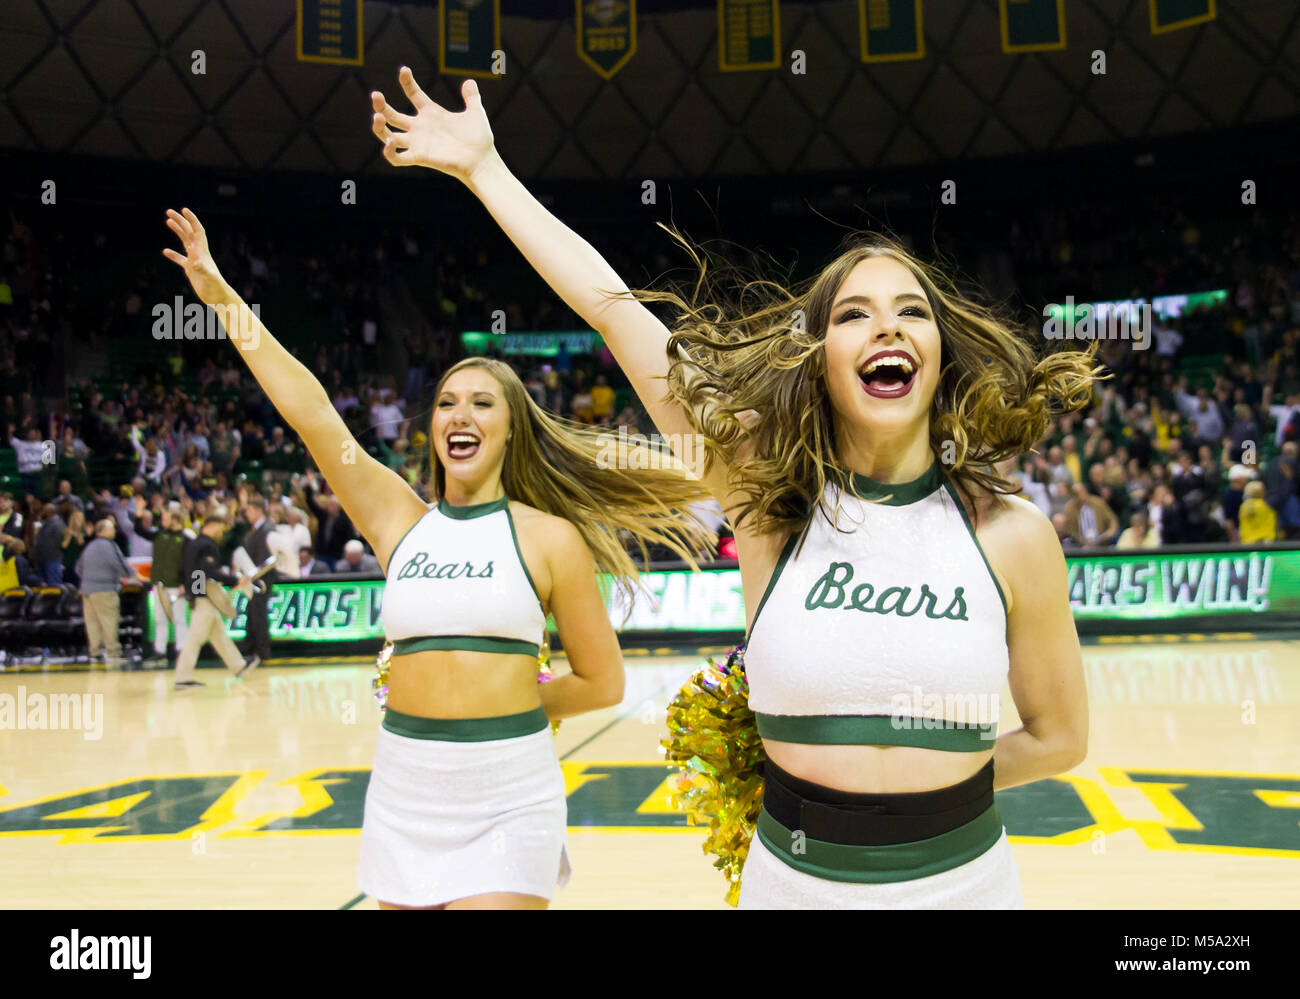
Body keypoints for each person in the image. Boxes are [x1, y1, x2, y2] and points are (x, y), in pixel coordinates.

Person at [370, 68, 1093, 909]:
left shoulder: (1011, 532)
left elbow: (1061, 735)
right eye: (853, 313)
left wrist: (922, 794)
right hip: (794, 887)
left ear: (941, 351)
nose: (887, 324)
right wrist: (484, 170)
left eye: (912, 310)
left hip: (967, 887)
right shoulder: (764, 499)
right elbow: (614, 310)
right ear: (819, 358)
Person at [163, 205, 713, 910]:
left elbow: (603, 682)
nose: (460, 414)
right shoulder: (399, 520)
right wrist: (223, 300)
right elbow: (312, 413)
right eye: (448, 402)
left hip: (509, 786)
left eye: (483, 403)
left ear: (512, 429)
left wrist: (507, 704)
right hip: (405, 781)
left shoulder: (548, 536)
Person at [174, 516, 255, 689]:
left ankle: (238, 666)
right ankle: (182, 677)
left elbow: (185, 569)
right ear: (213, 525)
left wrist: (191, 590)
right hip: (205, 596)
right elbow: (207, 570)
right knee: (195, 638)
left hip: (198, 594)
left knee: (218, 635)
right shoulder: (208, 545)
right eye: (221, 527)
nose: (221, 532)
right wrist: (234, 581)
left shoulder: (192, 544)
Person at [74, 518, 145, 665]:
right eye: (111, 528)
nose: (114, 531)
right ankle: (113, 653)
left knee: (92, 623)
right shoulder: (109, 546)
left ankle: (95, 653)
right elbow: (120, 564)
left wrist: (88, 579)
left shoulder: (89, 546)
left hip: (88, 591)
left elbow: (78, 568)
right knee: (109, 621)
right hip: (105, 589)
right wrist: (134, 576)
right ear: (103, 531)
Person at [237, 497, 276, 667]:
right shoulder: (255, 530)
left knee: (258, 615)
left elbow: (265, 557)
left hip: (262, 579)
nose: (247, 515)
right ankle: (252, 651)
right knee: (252, 614)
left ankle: (261, 652)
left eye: (249, 511)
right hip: (254, 578)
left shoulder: (267, 529)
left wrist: (254, 575)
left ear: (259, 510)